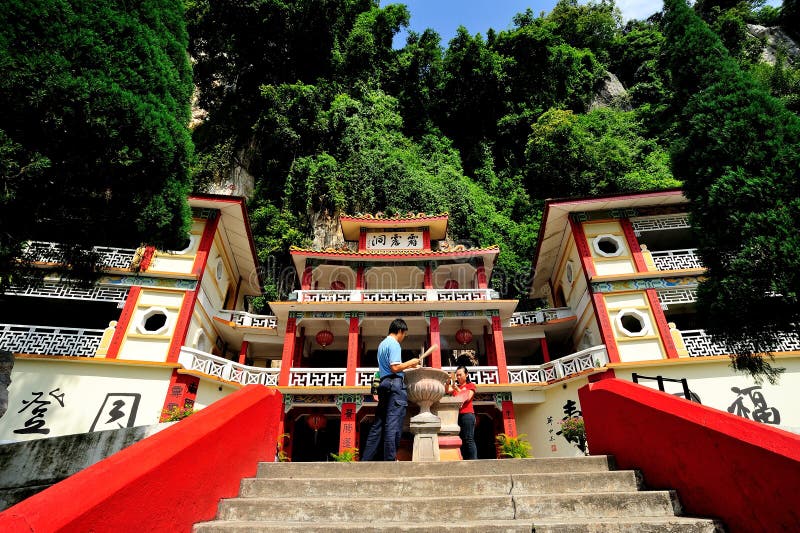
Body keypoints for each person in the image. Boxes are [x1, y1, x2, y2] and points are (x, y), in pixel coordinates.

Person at [362, 318, 420, 461]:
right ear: (399, 331)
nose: (403, 337)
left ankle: (366, 460)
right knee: (393, 424)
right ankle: (390, 460)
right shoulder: (394, 344)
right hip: (395, 385)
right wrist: (410, 362)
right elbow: (395, 368)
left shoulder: (382, 344)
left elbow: (390, 367)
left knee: (379, 424)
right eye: (404, 334)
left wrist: (406, 366)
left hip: (384, 383)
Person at [447, 365, 477, 460]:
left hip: (467, 415)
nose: (458, 377)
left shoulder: (470, 385)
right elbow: (446, 390)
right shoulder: (457, 386)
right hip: (457, 415)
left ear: (467, 375)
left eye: (460, 375)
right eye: (457, 375)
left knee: (469, 439)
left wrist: (456, 389)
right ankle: (465, 460)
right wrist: (448, 381)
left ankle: (474, 461)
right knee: (461, 439)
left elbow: (467, 397)